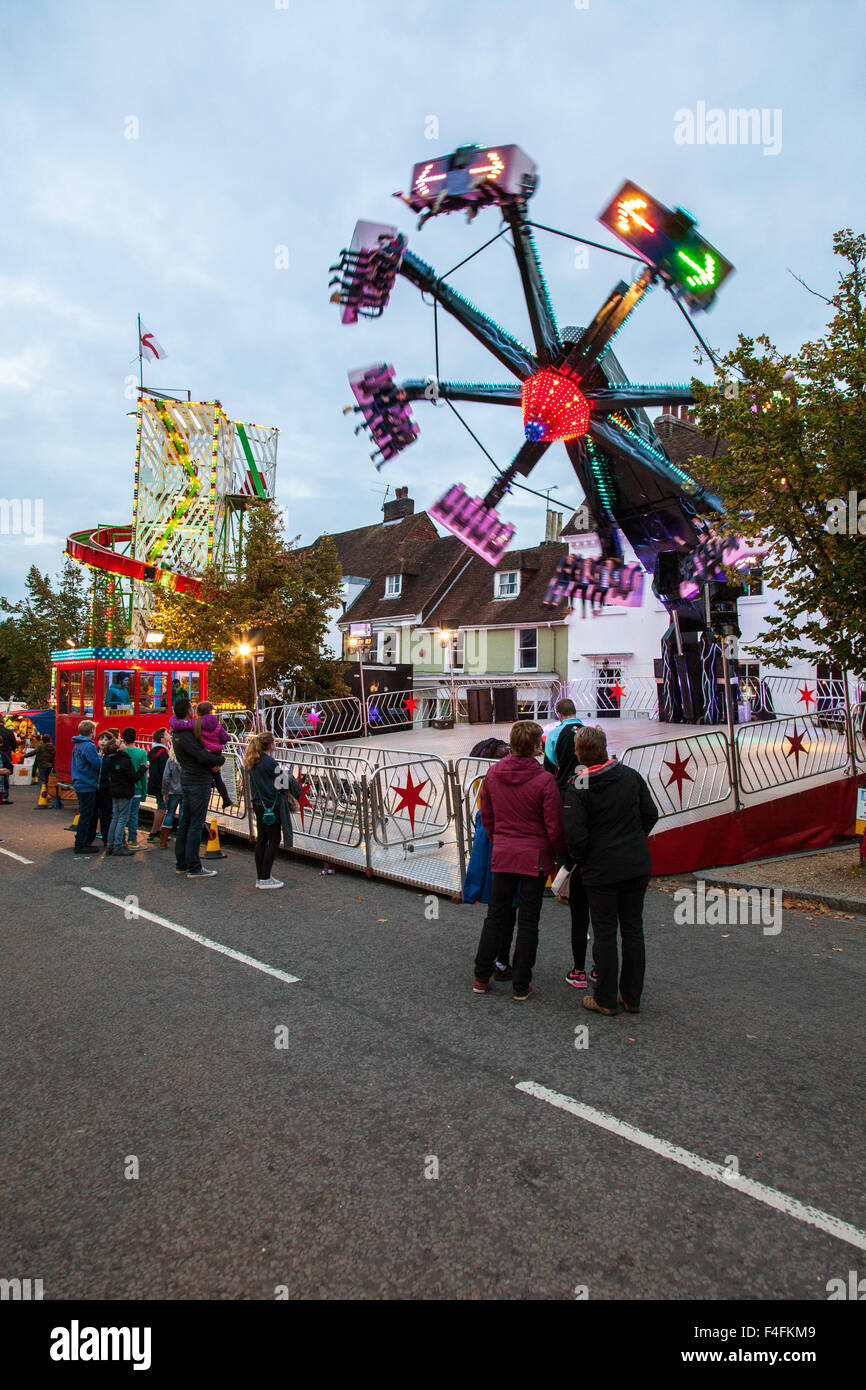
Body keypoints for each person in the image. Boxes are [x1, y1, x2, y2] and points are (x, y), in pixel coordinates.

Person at [562, 725, 659, 1017]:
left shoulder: (578, 786)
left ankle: (604, 997)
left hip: (601, 869)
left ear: (580, 753)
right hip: (635, 864)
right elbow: (650, 814)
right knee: (633, 929)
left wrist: (581, 860)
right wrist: (633, 840)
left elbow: (575, 836)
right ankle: (632, 997)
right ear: (604, 748)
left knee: (604, 932)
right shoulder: (630, 776)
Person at [472, 720, 565, 1002]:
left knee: (496, 916)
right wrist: (557, 853)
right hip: (534, 859)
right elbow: (554, 825)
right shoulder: (544, 780)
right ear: (538, 747)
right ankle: (521, 985)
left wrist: (499, 838)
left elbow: (486, 815)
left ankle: (481, 975)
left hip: (503, 854)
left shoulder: (493, 773)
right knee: (528, 920)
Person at [543, 702, 593, 992]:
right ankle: (600, 967)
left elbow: (550, 766)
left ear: (558, 713)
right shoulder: (586, 731)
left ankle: (565, 879)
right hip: (587, 787)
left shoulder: (555, 733)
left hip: (567, 791)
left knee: (569, 836)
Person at [462, 738, 515, 979]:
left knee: (497, 912)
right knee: (511, 911)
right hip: (514, 853)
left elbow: (486, 822)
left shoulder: (486, 781)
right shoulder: (535, 778)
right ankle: (503, 965)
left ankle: (486, 970)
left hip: (499, 850)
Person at [171, 697, 225, 879]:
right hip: (198, 781)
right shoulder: (186, 735)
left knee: (185, 823)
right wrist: (219, 760)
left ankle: (182, 862)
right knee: (195, 823)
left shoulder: (177, 732)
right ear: (188, 712)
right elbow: (201, 755)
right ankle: (193, 866)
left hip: (188, 779)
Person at [243, 730, 301, 889]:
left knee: (262, 838)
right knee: (274, 839)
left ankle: (261, 876)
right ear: (269, 744)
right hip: (271, 804)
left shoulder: (252, 760)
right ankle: (265, 877)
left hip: (257, 803)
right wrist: (287, 773)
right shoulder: (269, 762)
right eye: (274, 742)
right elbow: (282, 783)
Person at [170, 701, 233, 808]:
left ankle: (223, 797)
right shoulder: (217, 724)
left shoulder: (196, 723)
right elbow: (224, 738)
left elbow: (178, 725)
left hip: (206, 752)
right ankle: (225, 798)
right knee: (217, 776)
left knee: (211, 771)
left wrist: (172, 719)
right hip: (216, 752)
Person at [70, 720, 101, 855]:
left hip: (79, 781)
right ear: (92, 731)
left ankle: (83, 840)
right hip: (87, 783)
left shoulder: (78, 745)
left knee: (86, 813)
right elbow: (96, 763)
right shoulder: (88, 746)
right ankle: (81, 844)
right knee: (87, 815)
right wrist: (100, 757)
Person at [104, 735, 139, 856]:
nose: (124, 743)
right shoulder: (125, 760)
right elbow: (133, 777)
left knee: (115, 817)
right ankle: (118, 845)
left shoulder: (110, 759)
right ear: (118, 748)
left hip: (114, 791)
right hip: (125, 791)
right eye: (121, 742)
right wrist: (143, 769)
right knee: (122, 819)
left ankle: (110, 844)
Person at [542, 697, 584, 782]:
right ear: (575, 712)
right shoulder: (588, 732)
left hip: (564, 784)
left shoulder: (553, 734)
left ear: (559, 714)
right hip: (585, 783)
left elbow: (549, 765)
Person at [121, 728, 148, 847]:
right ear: (135, 737)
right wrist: (144, 791)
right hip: (136, 788)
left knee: (121, 815)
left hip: (122, 788)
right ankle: (133, 839)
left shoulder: (121, 751)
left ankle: (121, 838)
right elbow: (143, 775)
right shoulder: (141, 753)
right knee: (133, 815)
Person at [146, 728, 170, 841]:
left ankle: (157, 831)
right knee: (161, 808)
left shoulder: (154, 750)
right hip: (161, 785)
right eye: (167, 734)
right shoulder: (163, 752)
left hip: (154, 783)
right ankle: (154, 832)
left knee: (161, 807)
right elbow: (165, 771)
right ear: (162, 739)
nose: (169, 735)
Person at [159, 744, 183, 848]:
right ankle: (181, 842)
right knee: (183, 815)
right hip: (186, 791)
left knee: (170, 814)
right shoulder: (187, 761)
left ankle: (163, 841)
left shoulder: (171, 761)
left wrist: (164, 791)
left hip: (173, 791)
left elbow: (166, 778)